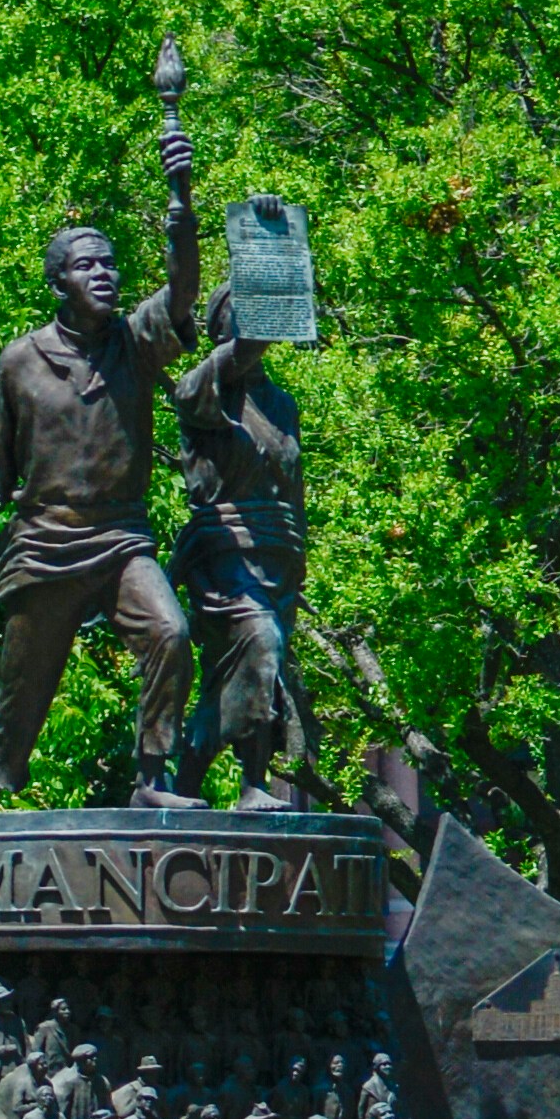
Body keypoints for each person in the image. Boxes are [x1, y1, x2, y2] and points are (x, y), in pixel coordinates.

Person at [0, 70, 204, 800]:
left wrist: (180, 200)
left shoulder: (136, 341)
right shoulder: (20, 362)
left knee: (169, 636)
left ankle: (153, 776)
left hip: (121, 539)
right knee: (23, 684)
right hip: (45, 542)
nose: (106, 276)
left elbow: (182, 292)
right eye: (88, 266)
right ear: (59, 282)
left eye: (111, 264)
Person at [170, 295, 315, 800]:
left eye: (260, 303)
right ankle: (252, 782)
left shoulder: (282, 403)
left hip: (278, 557)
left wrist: (298, 560)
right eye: (242, 304)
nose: (255, 314)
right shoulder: (200, 389)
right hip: (225, 553)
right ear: (218, 329)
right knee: (261, 646)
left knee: (234, 678)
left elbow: (294, 489)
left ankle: (188, 777)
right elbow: (246, 345)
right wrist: (272, 267)